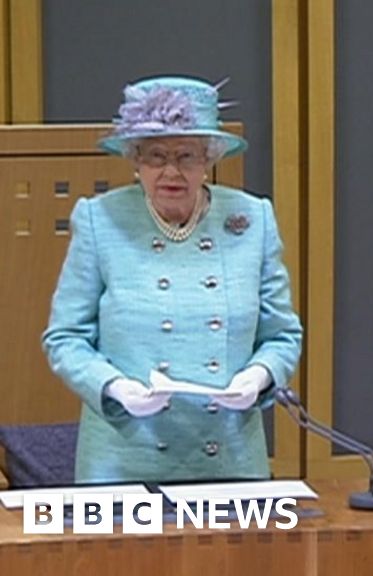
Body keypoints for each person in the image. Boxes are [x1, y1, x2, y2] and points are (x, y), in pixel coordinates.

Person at [42, 76, 303, 482]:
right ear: (135, 161)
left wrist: (259, 376)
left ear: (209, 160)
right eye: (156, 156)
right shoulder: (100, 220)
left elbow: (283, 336)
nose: (171, 171)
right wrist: (113, 387)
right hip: (123, 459)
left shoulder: (253, 220)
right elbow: (64, 338)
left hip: (229, 457)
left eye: (186, 156)